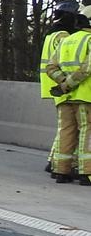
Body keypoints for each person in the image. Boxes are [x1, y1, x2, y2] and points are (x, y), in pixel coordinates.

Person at [45, 12, 91, 184]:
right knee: (88, 132)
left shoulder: (67, 40)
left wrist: (62, 81)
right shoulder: (89, 40)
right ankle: (87, 173)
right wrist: (69, 83)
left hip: (65, 98)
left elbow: (51, 67)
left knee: (66, 131)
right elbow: (87, 68)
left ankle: (61, 171)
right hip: (86, 96)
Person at [39, 0, 81, 174]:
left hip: (54, 83)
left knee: (64, 126)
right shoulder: (63, 36)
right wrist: (67, 82)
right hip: (62, 84)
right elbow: (65, 61)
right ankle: (65, 163)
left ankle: (54, 160)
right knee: (71, 127)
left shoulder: (52, 33)